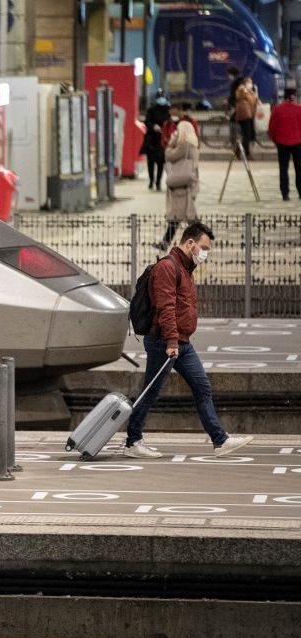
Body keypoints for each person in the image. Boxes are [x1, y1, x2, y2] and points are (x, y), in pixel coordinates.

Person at [124, 222, 253, 459]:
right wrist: (172, 341)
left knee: (201, 386)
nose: (205, 253)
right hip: (165, 342)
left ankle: (220, 440)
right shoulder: (167, 268)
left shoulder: (185, 268)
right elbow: (166, 308)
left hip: (181, 343)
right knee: (151, 391)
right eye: (203, 247)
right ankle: (133, 441)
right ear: (190, 243)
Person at [159, 120, 200, 249]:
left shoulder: (183, 146)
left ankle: (201, 239)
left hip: (180, 184)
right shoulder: (193, 145)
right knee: (185, 216)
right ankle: (166, 243)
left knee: (179, 216)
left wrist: (171, 142)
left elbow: (169, 155)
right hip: (186, 182)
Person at [267, 87, 301, 200]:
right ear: (294, 96)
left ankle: (285, 194)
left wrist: (276, 140)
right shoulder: (299, 109)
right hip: (298, 143)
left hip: (282, 143)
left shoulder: (277, 109)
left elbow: (271, 128)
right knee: (299, 168)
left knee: (283, 168)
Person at [141, 90, 171, 190]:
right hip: (151, 139)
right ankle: (151, 180)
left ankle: (158, 182)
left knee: (161, 162)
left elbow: (171, 123)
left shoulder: (168, 110)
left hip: (163, 140)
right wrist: (153, 126)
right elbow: (147, 122)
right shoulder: (151, 110)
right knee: (150, 162)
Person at [234, 76, 259, 160]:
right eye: (249, 82)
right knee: (247, 135)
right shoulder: (241, 89)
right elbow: (241, 97)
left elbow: (254, 100)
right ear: (245, 83)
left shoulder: (250, 91)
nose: (250, 84)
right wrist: (246, 91)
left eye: (251, 82)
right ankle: (247, 154)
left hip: (250, 115)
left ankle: (238, 150)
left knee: (250, 135)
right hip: (244, 115)